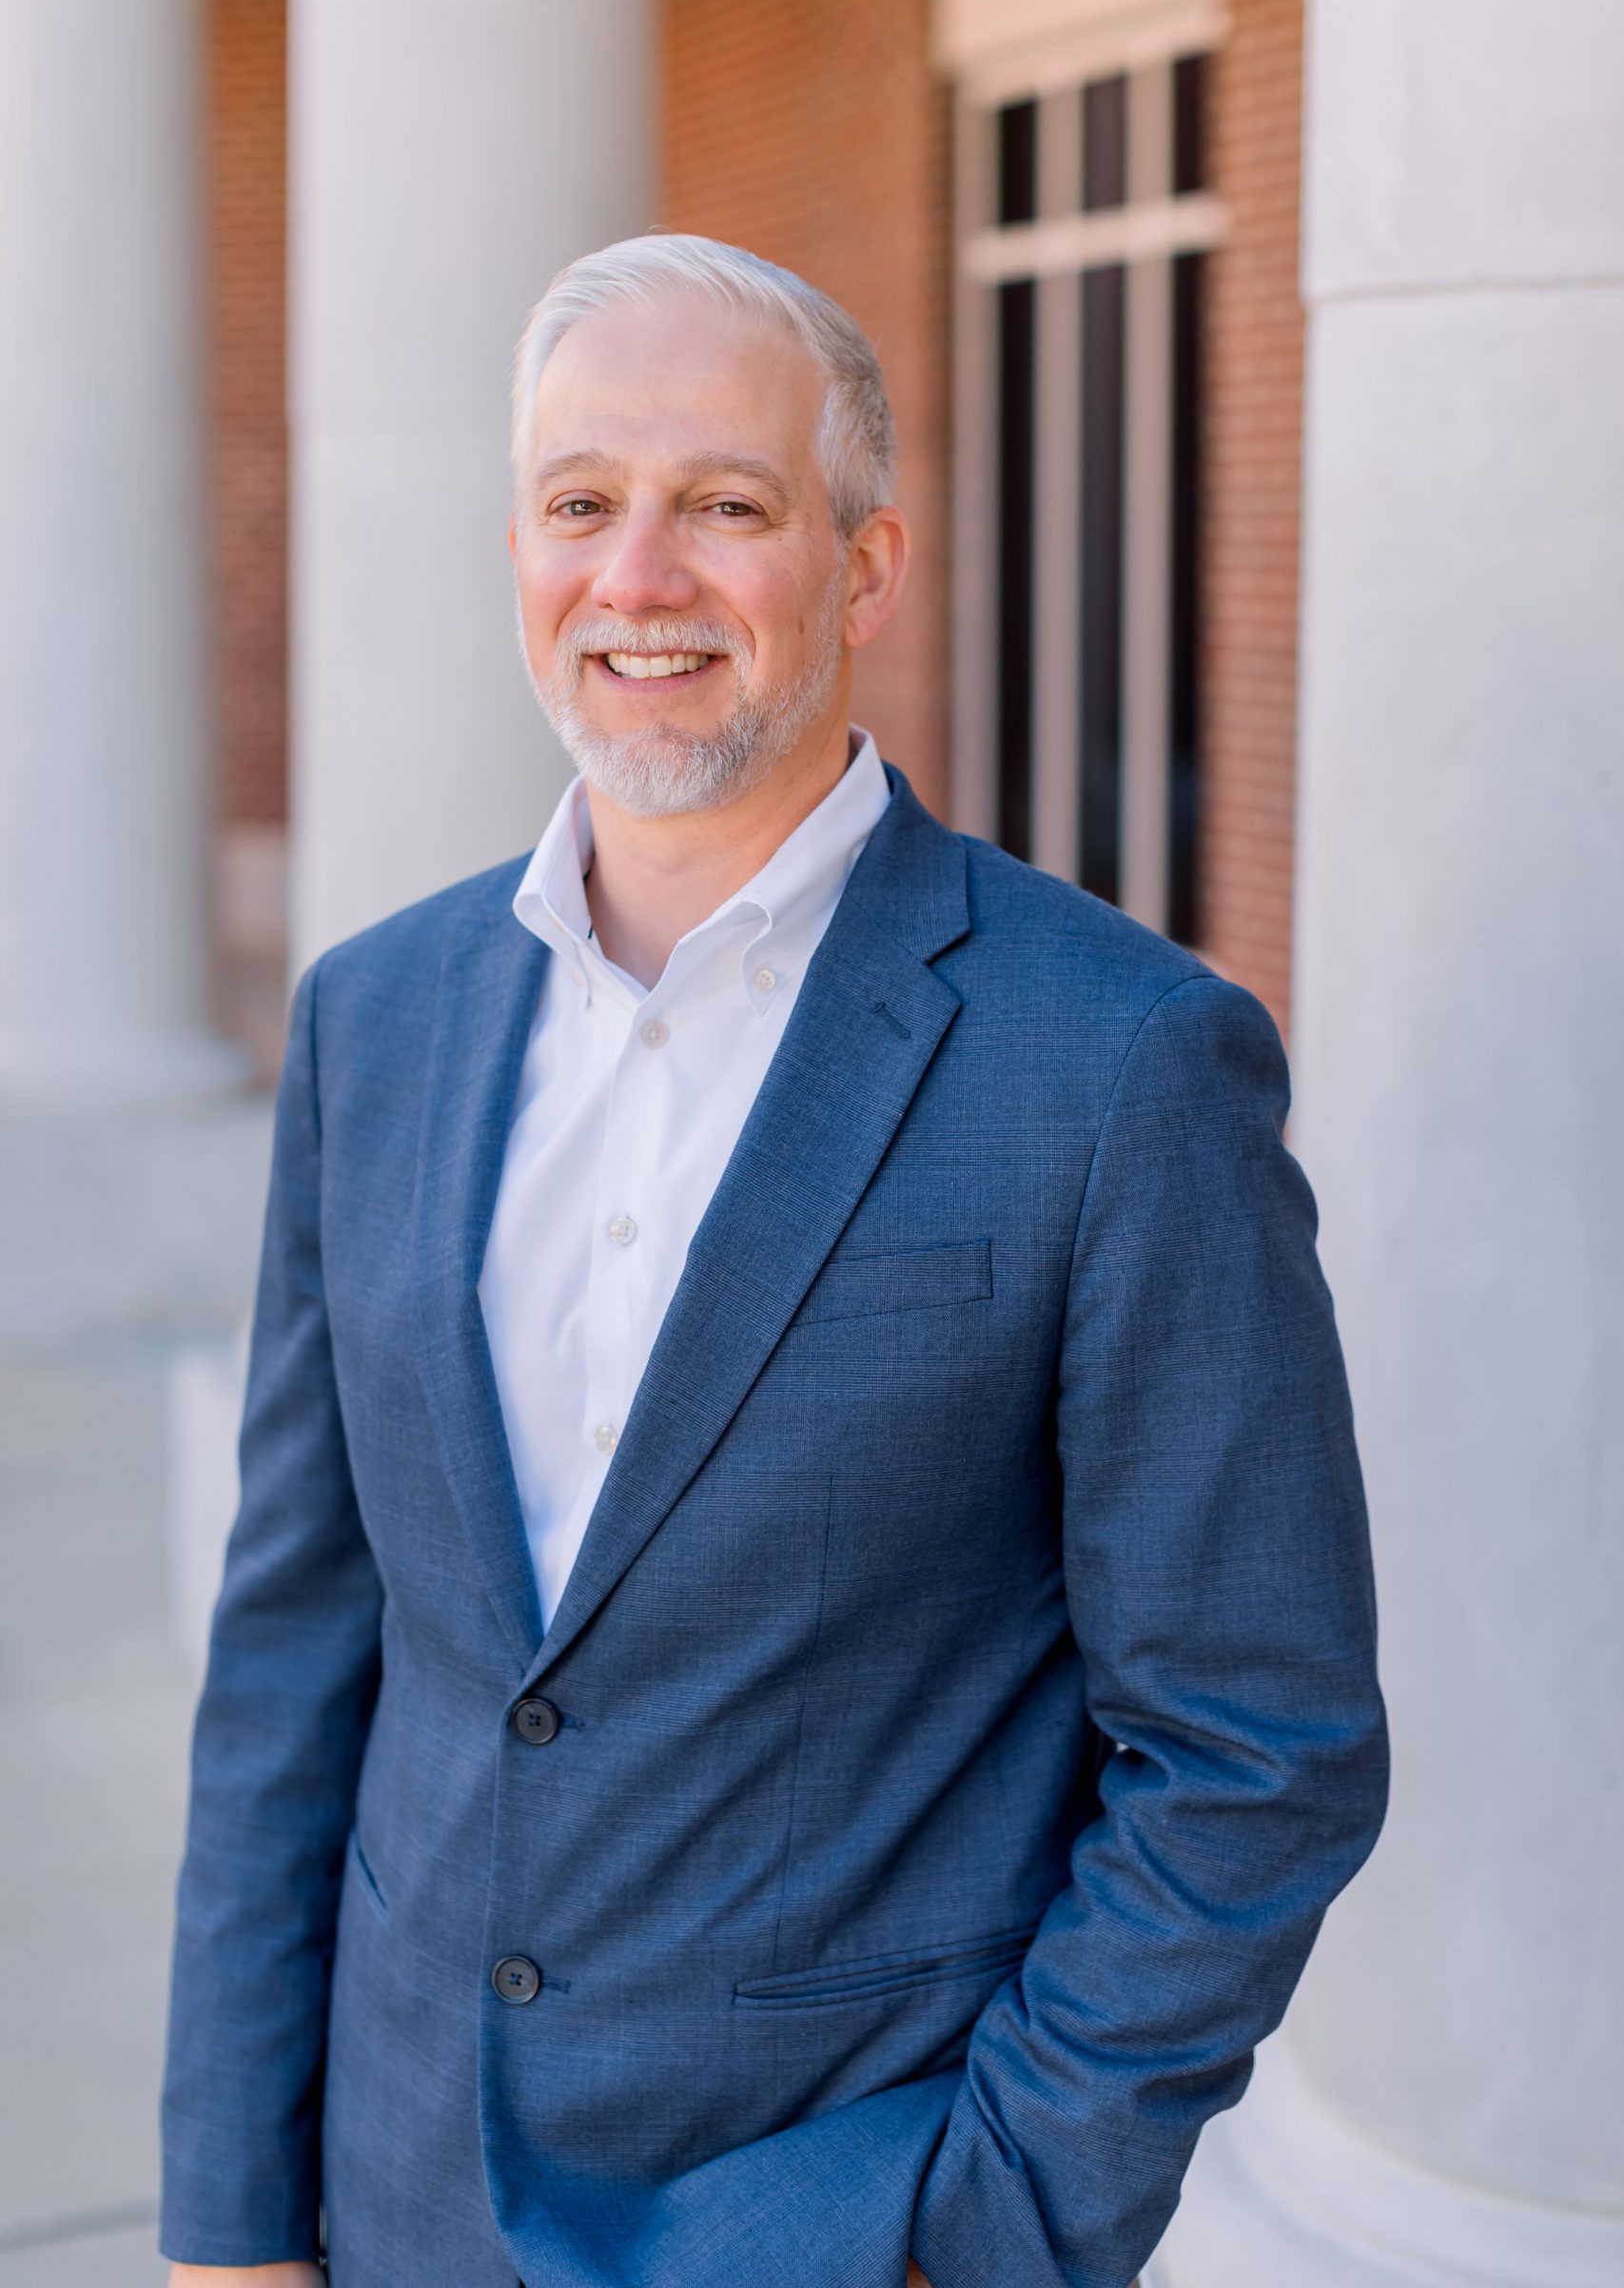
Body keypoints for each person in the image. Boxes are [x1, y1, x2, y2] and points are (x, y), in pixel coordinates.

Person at [160, 233, 1387, 2288]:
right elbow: (295, 1654)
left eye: (724, 503)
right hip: (386, 2199)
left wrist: (979, 2227)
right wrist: (223, 2220)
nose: (635, 575)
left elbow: (1257, 1741)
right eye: (579, 503)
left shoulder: (1116, 1062)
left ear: (865, 568)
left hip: (830, 2216)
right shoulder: (374, 1020)